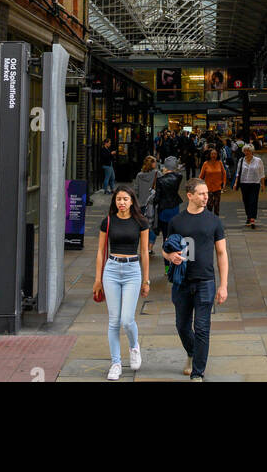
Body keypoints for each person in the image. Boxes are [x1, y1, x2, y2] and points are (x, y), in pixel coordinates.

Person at [164, 178, 228, 381]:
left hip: (205, 282)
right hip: (181, 282)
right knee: (182, 326)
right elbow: (166, 249)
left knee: (202, 327)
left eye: (207, 193)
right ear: (189, 195)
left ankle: (197, 372)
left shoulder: (214, 221)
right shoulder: (176, 221)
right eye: (201, 193)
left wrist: (223, 285)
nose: (206, 197)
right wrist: (170, 257)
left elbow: (221, 253)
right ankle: (192, 352)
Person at [93, 186, 151, 380]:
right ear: (114, 201)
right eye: (119, 199)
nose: (122, 202)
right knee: (114, 320)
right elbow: (101, 251)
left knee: (127, 319)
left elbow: (144, 252)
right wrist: (98, 279)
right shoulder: (108, 221)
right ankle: (116, 362)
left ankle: (134, 347)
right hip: (111, 270)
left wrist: (146, 280)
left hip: (132, 271)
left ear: (132, 201)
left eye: (125, 199)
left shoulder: (141, 222)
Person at [151, 156, 183, 262]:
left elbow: (157, 198)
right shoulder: (179, 177)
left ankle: (167, 265)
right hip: (175, 208)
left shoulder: (160, 180)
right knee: (175, 235)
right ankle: (176, 258)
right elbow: (178, 172)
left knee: (166, 236)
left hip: (164, 210)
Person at [233, 144, 265, 227]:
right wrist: (236, 183)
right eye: (245, 151)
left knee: (253, 201)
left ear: (252, 152)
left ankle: (252, 219)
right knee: (246, 201)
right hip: (244, 183)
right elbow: (238, 173)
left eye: (248, 151)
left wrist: (263, 184)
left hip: (255, 183)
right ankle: (248, 216)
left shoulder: (258, 160)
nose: (247, 152)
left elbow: (262, 173)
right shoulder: (241, 160)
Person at [134, 154, 159, 253]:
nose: (156, 163)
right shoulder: (157, 174)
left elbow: (136, 190)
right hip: (152, 204)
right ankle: (150, 247)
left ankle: (143, 246)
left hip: (141, 204)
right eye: (155, 162)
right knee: (153, 225)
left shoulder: (139, 175)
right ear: (152, 164)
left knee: (143, 226)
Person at [199, 148, 227, 215]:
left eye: (215, 154)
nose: (214, 155)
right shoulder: (205, 164)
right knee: (210, 205)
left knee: (217, 205)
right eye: (212, 154)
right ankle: (209, 220)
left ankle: (216, 220)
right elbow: (201, 176)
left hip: (218, 187)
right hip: (208, 188)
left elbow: (224, 173)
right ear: (209, 155)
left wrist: (224, 183)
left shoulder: (219, 163)